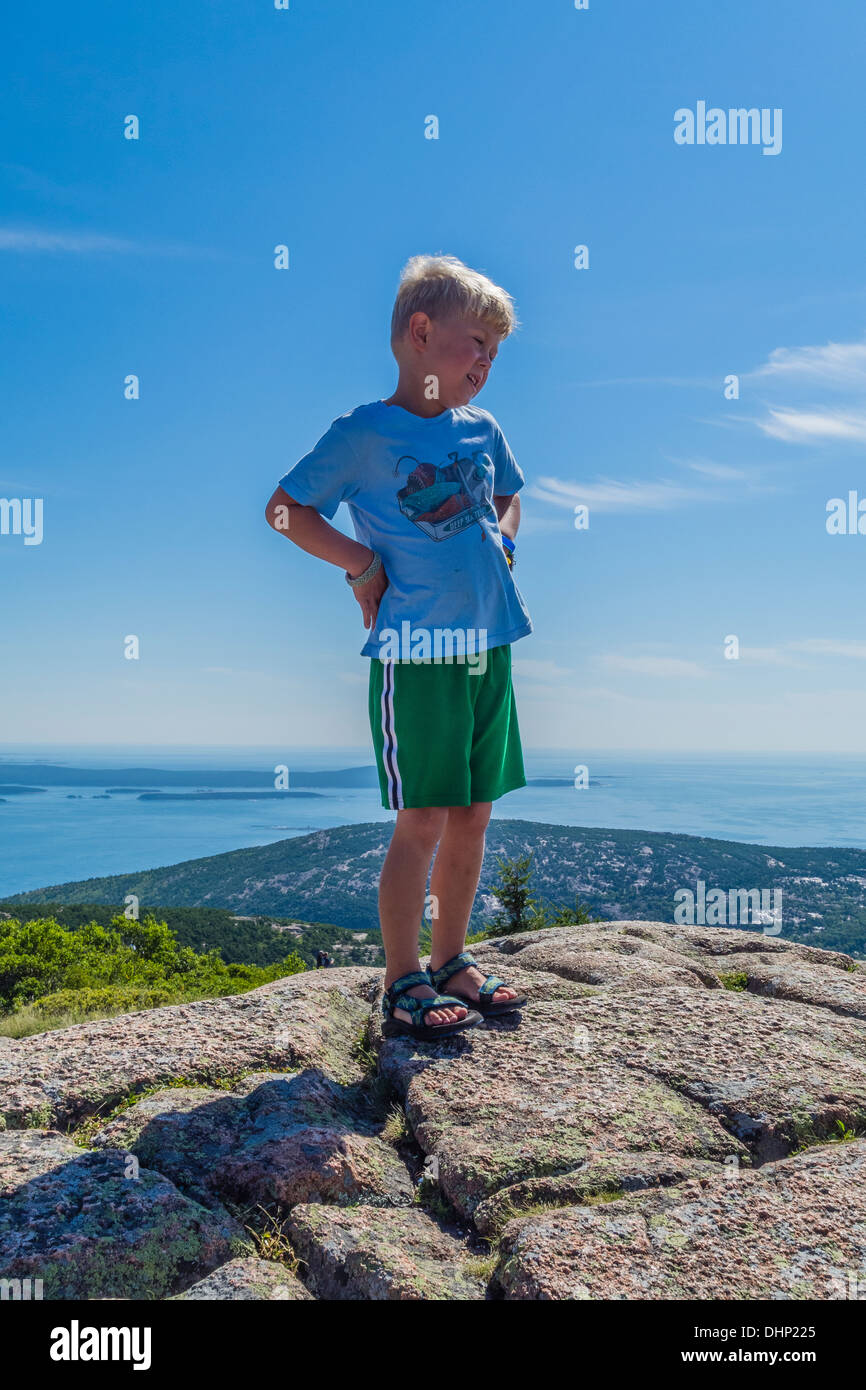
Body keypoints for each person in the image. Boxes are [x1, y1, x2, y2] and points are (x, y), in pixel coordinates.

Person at [266, 254, 531, 1040]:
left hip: (492, 646)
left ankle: (452, 959)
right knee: (422, 819)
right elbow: (285, 511)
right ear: (420, 332)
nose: (486, 362)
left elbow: (510, 497)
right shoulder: (365, 433)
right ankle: (402, 979)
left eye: (496, 351)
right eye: (476, 341)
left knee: (474, 814)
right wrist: (361, 565)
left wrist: (504, 543)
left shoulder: (483, 431)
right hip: (415, 653)